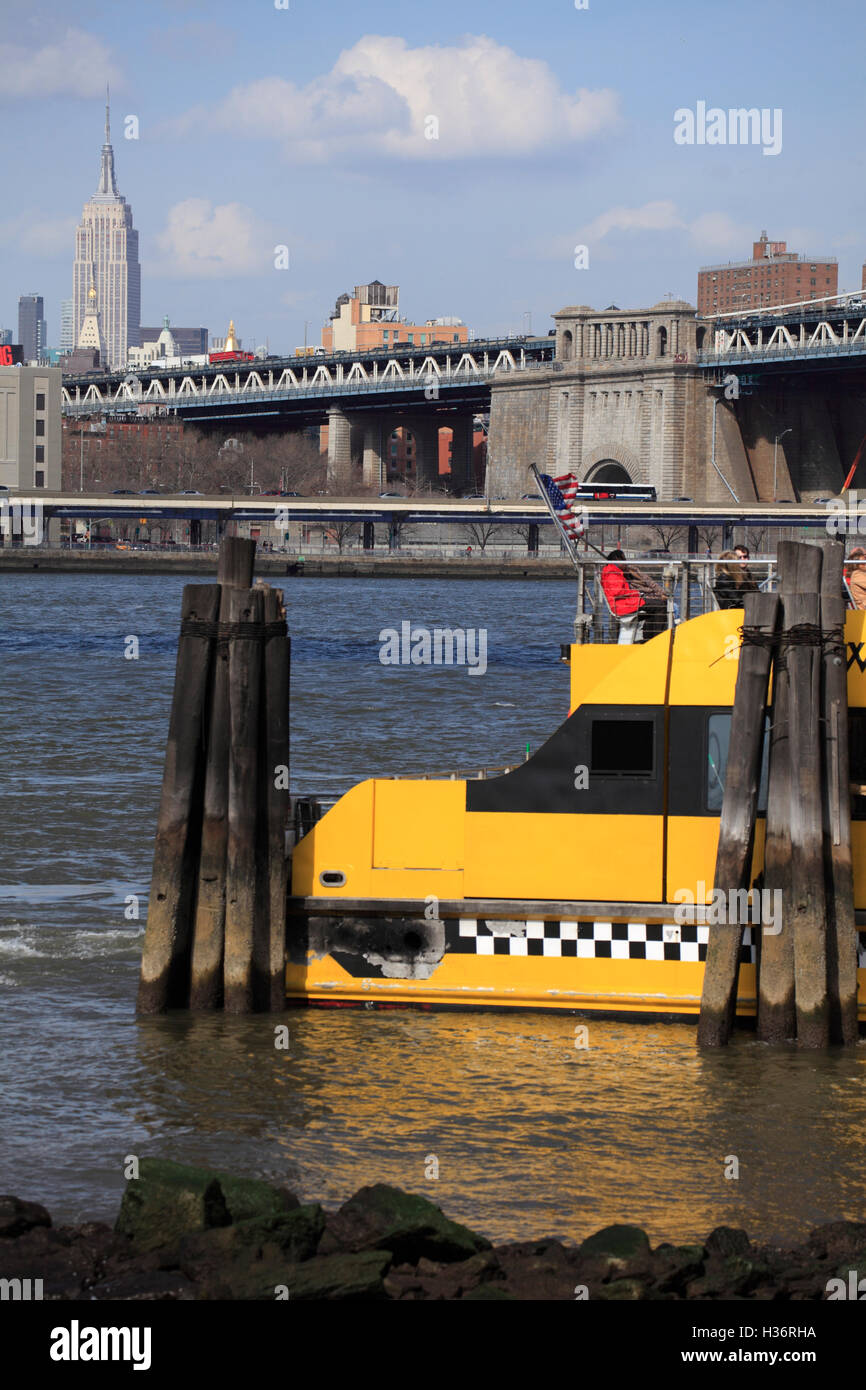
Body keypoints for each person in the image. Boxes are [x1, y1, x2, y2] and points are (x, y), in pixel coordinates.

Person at [601, 549, 666, 643]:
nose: (626, 563)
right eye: (624, 560)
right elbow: (617, 592)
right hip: (624, 605)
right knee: (660, 606)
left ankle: (649, 640)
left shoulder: (612, 572)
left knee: (655, 608)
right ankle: (656, 641)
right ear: (617, 560)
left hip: (626, 603)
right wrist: (636, 593)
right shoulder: (612, 574)